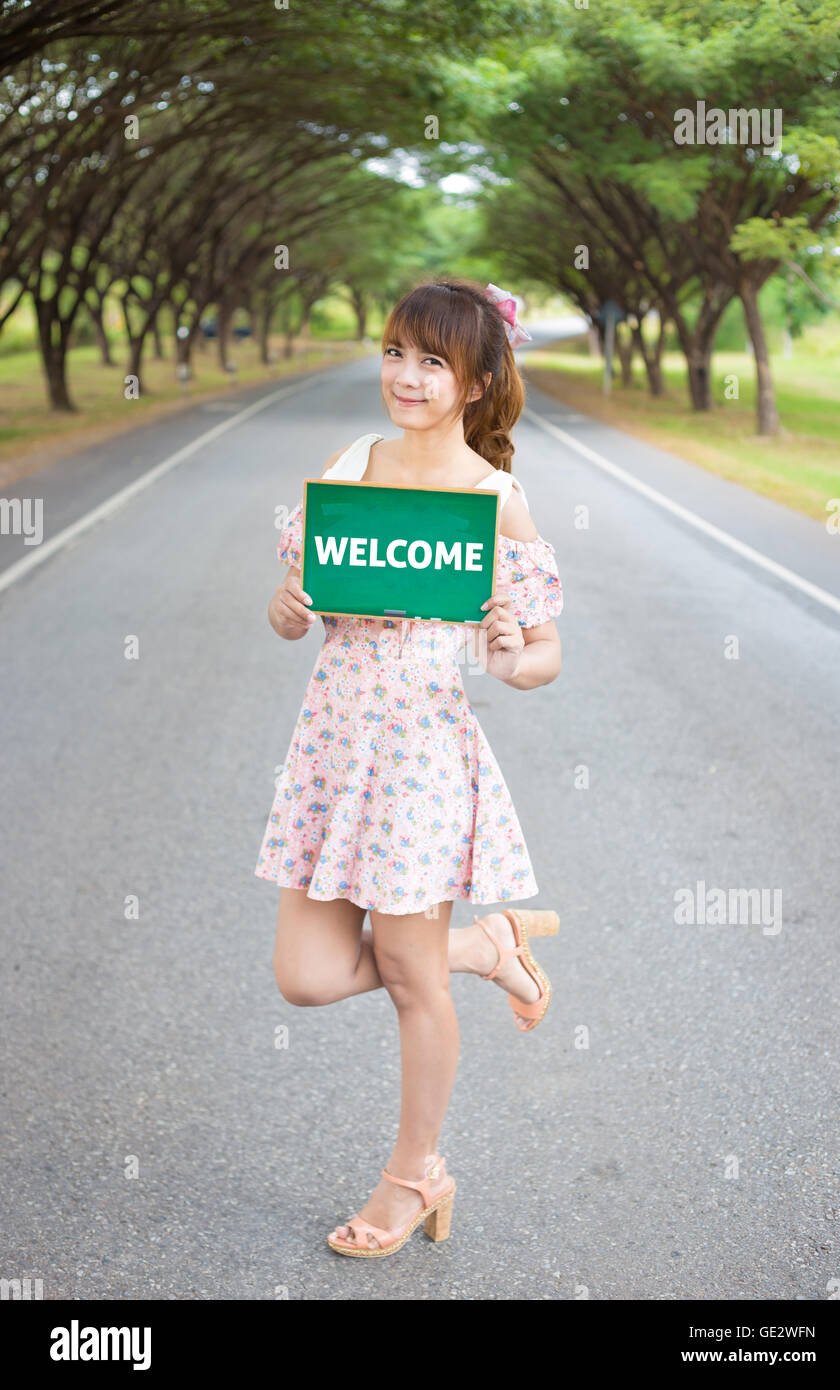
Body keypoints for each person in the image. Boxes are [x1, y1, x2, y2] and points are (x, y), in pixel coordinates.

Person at [255, 277, 564, 1257]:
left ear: (474, 381)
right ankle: (484, 947)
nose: (406, 376)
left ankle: (412, 1178)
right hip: (332, 750)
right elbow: (296, 603)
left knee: (406, 977)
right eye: (395, 352)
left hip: (422, 764)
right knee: (303, 975)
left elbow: (538, 656)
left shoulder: (491, 499)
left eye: (432, 361)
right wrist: (288, 609)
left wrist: (509, 648)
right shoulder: (353, 462)